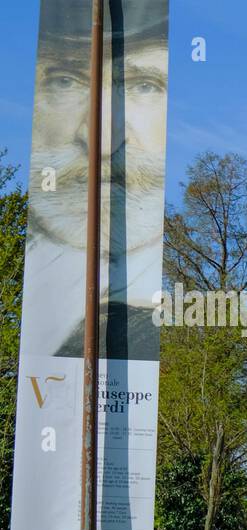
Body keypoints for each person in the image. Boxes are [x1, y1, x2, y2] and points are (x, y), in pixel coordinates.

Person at [28, 0, 170, 362]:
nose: (104, 142)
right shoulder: (28, 300)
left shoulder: (147, 321)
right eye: (65, 80)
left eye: (144, 85)